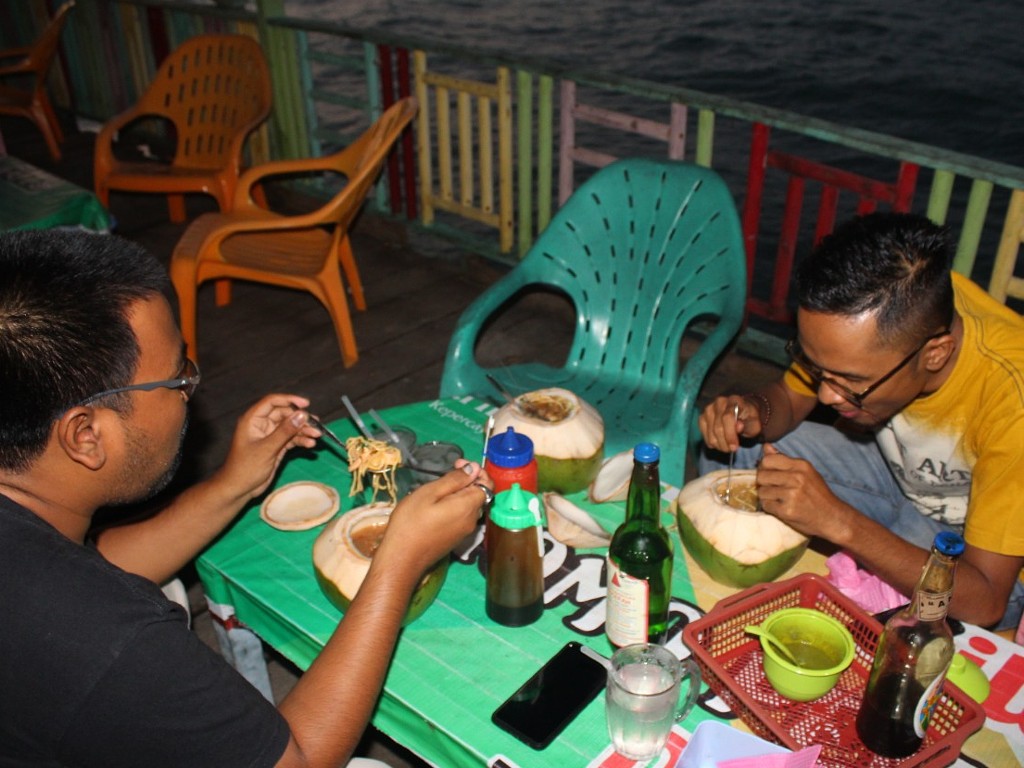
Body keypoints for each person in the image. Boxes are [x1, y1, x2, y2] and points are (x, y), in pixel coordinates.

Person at [0, 229, 492, 766]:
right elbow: (298, 760)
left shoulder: (33, 548)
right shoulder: (118, 646)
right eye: (176, 380)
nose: (192, 390)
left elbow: (96, 567)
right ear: (85, 436)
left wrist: (237, 484)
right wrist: (400, 560)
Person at [698, 212, 1024, 630]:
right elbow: (787, 401)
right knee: (744, 457)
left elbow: (986, 602)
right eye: (818, 369)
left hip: (979, 561)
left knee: (893, 625)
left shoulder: (1011, 399)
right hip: (899, 482)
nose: (826, 396)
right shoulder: (890, 304)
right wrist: (751, 412)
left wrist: (839, 522)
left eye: (852, 382)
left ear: (936, 353)